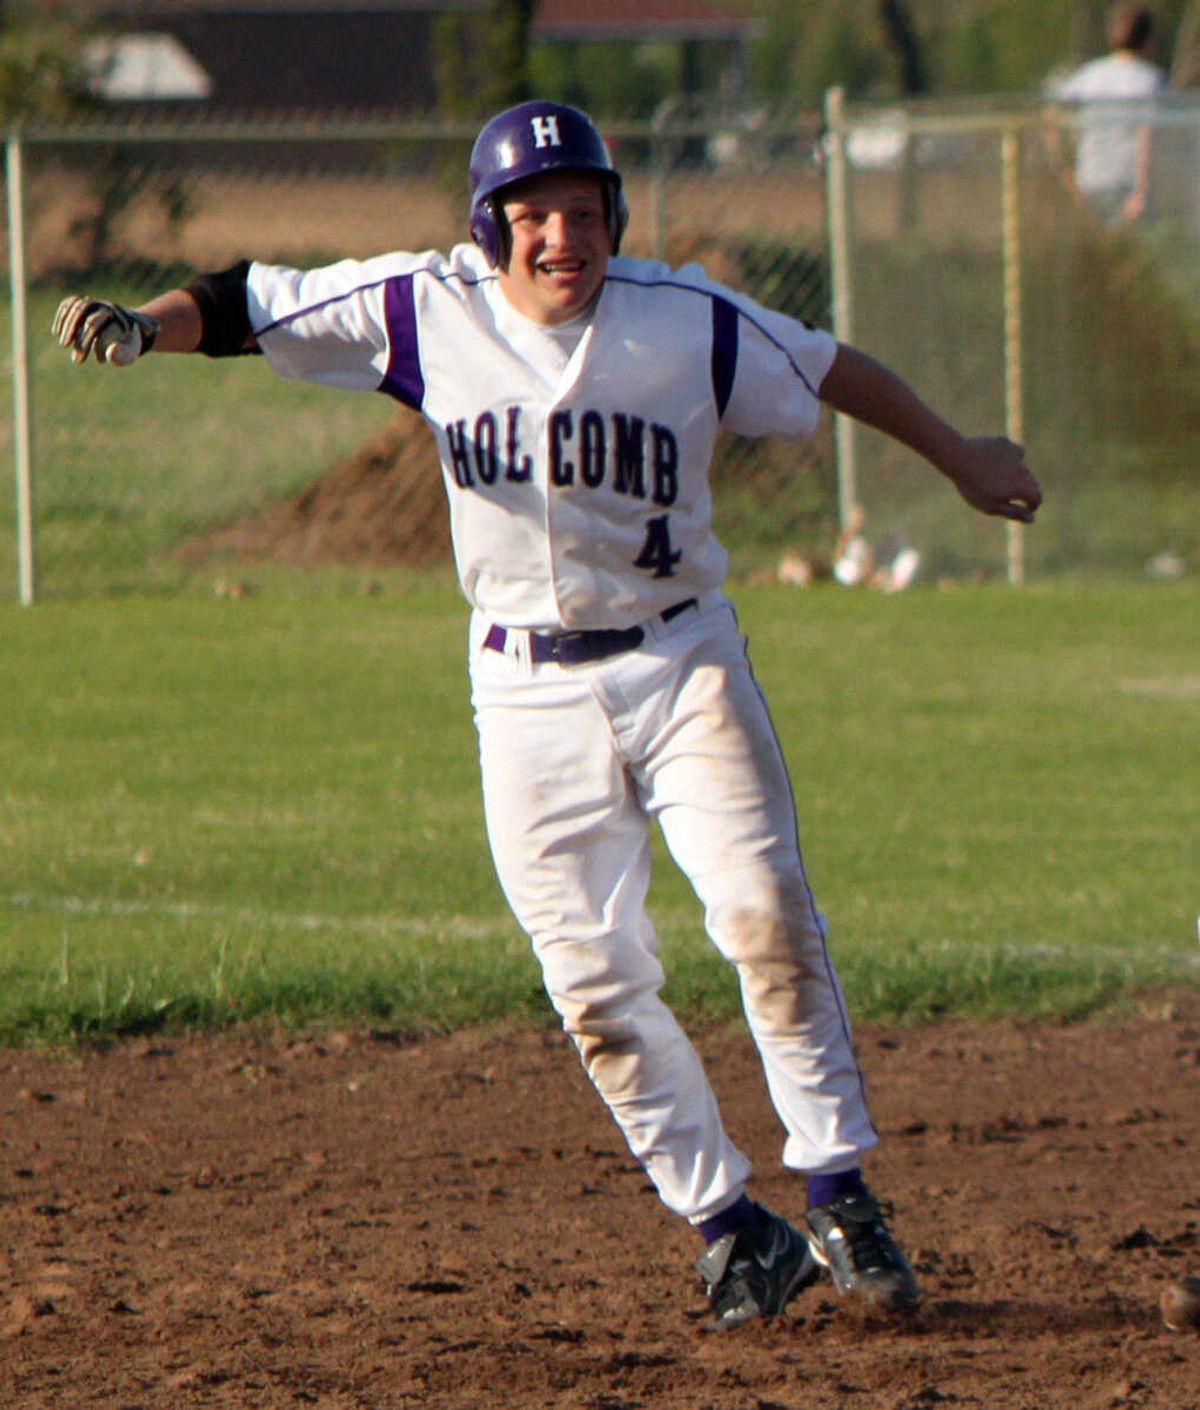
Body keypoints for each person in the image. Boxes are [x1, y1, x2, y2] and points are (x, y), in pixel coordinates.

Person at [52, 100, 1042, 1332]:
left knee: (765, 913)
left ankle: (839, 1189)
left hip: (683, 661)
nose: (561, 237)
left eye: (583, 211)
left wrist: (960, 456)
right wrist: (146, 327)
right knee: (592, 983)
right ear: (490, 228)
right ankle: (733, 1228)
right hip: (523, 688)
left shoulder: (686, 319)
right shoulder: (428, 309)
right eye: (534, 216)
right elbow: (247, 302)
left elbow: (829, 367)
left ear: (614, 218)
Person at [1051, 4, 1166, 225]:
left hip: (1089, 180)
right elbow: (1148, 136)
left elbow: (1052, 115)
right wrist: (1143, 191)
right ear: (1148, 39)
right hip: (1128, 183)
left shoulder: (1090, 75)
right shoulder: (1151, 81)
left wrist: (1068, 173)